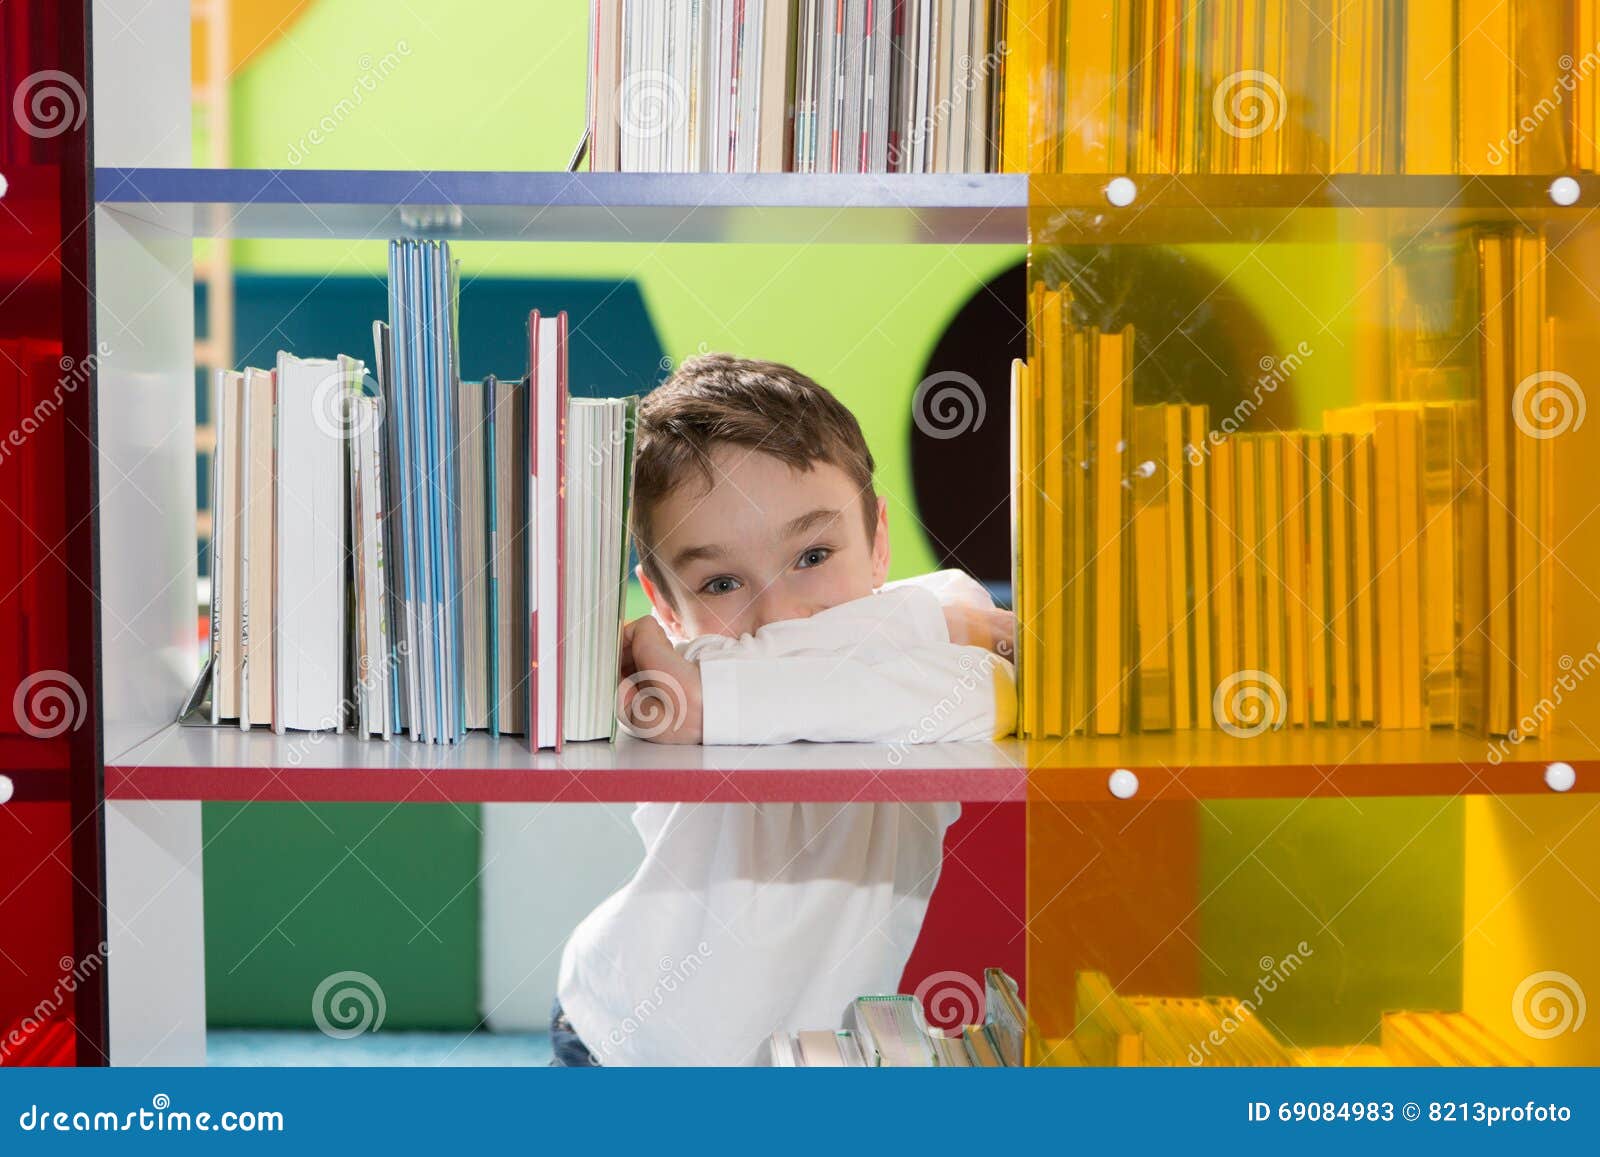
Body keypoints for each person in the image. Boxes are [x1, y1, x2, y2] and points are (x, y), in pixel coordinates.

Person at [552, 354, 1016, 1066]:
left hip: (808, 1060)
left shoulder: (937, 673)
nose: (781, 616)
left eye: (812, 555)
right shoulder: (666, 689)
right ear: (664, 603)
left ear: (881, 542)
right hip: (624, 1042)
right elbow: (705, 671)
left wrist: (924, 621)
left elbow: (987, 694)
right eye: (723, 580)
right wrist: (931, 619)